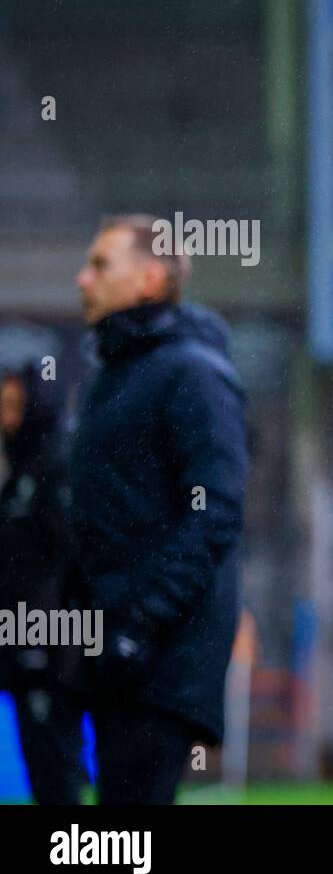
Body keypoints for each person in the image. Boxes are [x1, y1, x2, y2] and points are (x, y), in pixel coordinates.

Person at [65, 214, 248, 804]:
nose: (82, 279)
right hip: (112, 652)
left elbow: (216, 512)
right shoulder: (114, 375)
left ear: (149, 278)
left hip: (161, 658)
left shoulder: (193, 373)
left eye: (99, 265)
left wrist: (141, 622)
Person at [0, 360, 83, 804]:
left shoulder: (55, 465)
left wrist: (50, 644)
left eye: (15, 405)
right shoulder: (19, 472)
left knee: (56, 768)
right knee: (39, 765)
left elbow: (66, 561)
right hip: (22, 645)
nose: (6, 417)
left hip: (51, 652)